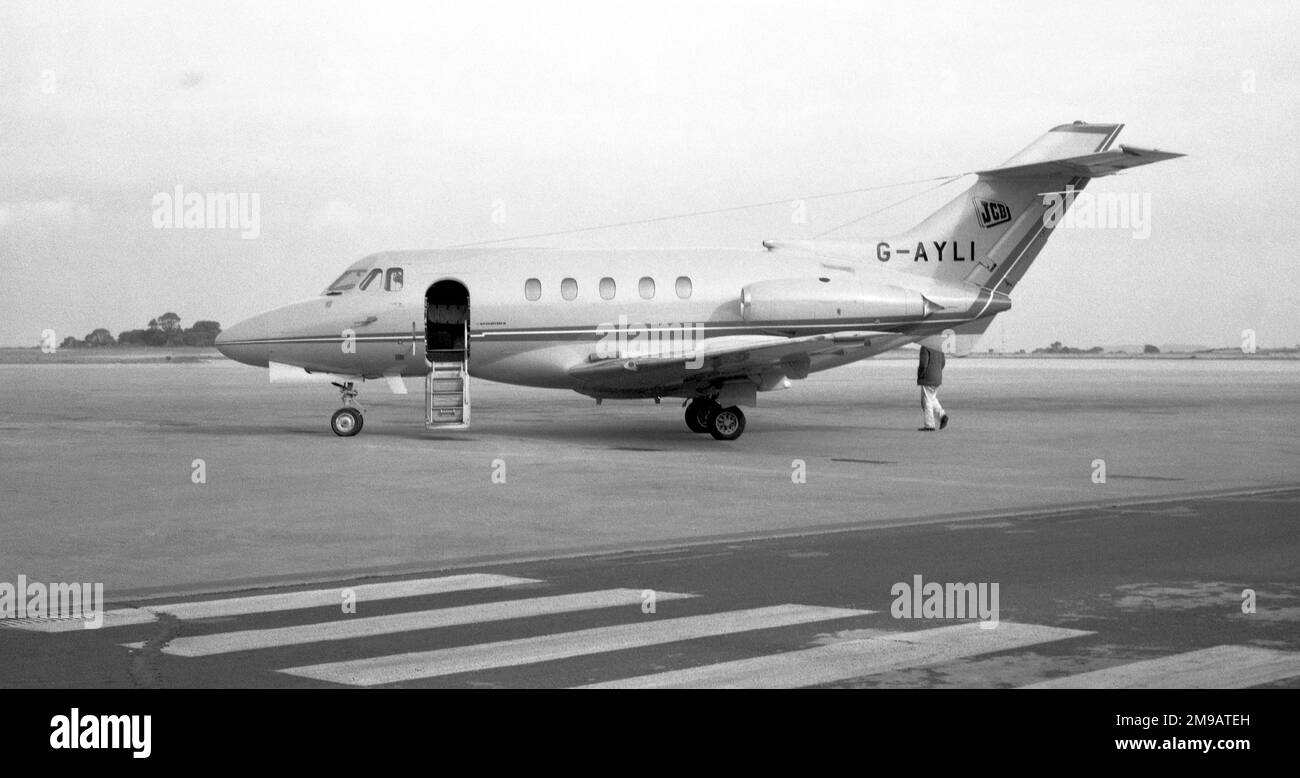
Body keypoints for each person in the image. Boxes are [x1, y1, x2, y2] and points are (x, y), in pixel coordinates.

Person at [917, 345, 949, 431]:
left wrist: (920, 375)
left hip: (928, 377)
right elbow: (943, 363)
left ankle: (929, 425)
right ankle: (942, 416)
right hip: (937, 377)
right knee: (932, 398)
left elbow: (923, 364)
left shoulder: (925, 347)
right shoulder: (939, 347)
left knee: (927, 401)